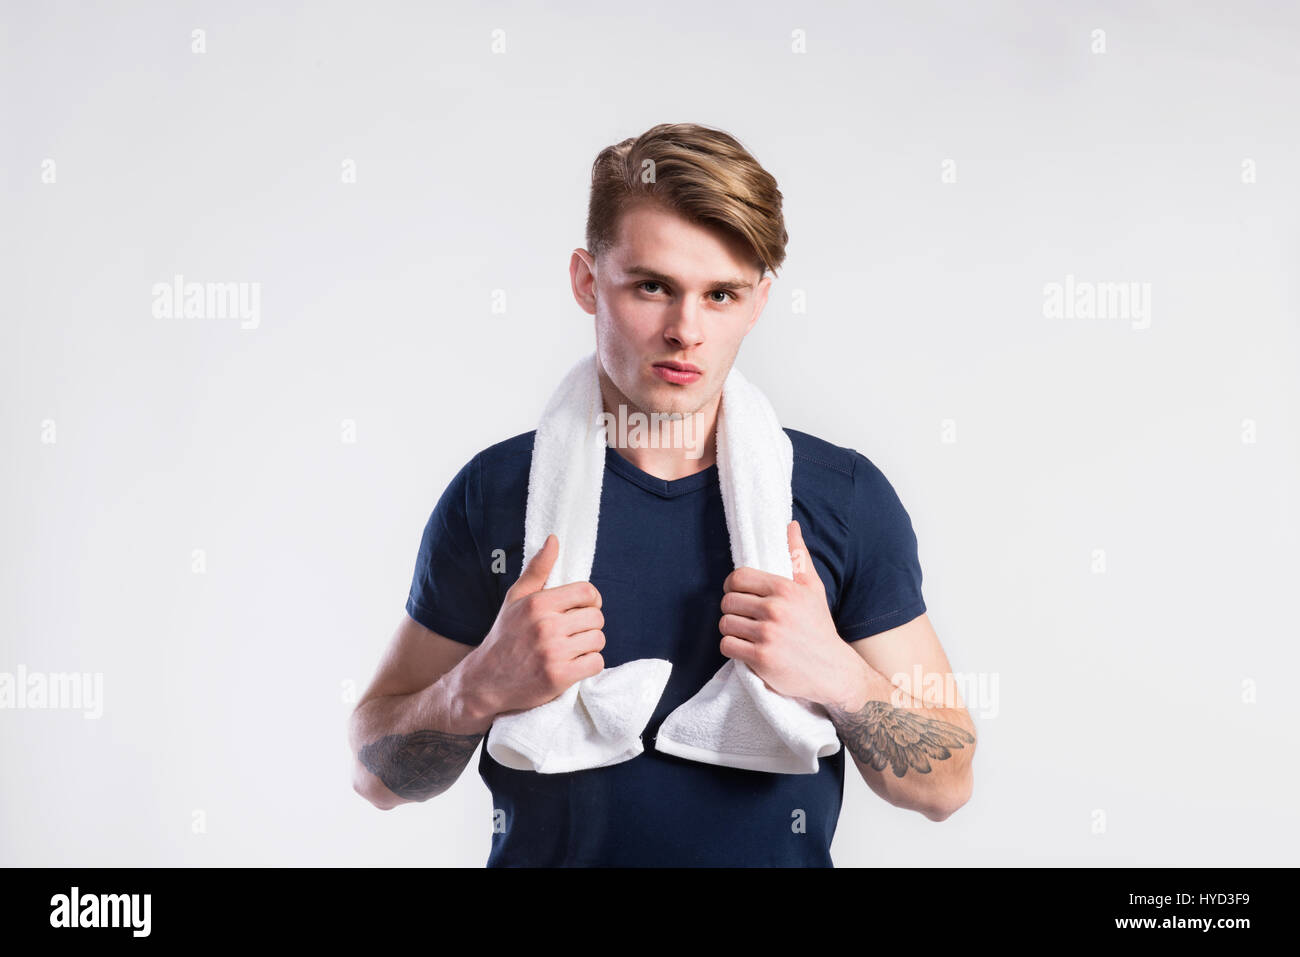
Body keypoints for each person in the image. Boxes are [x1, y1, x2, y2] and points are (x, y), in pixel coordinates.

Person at [347, 122, 976, 866]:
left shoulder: (841, 499)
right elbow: (375, 775)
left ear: (759, 301)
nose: (686, 330)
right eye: (653, 286)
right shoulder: (495, 496)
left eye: (721, 295)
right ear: (586, 281)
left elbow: (947, 784)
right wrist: (476, 687)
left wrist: (833, 670)